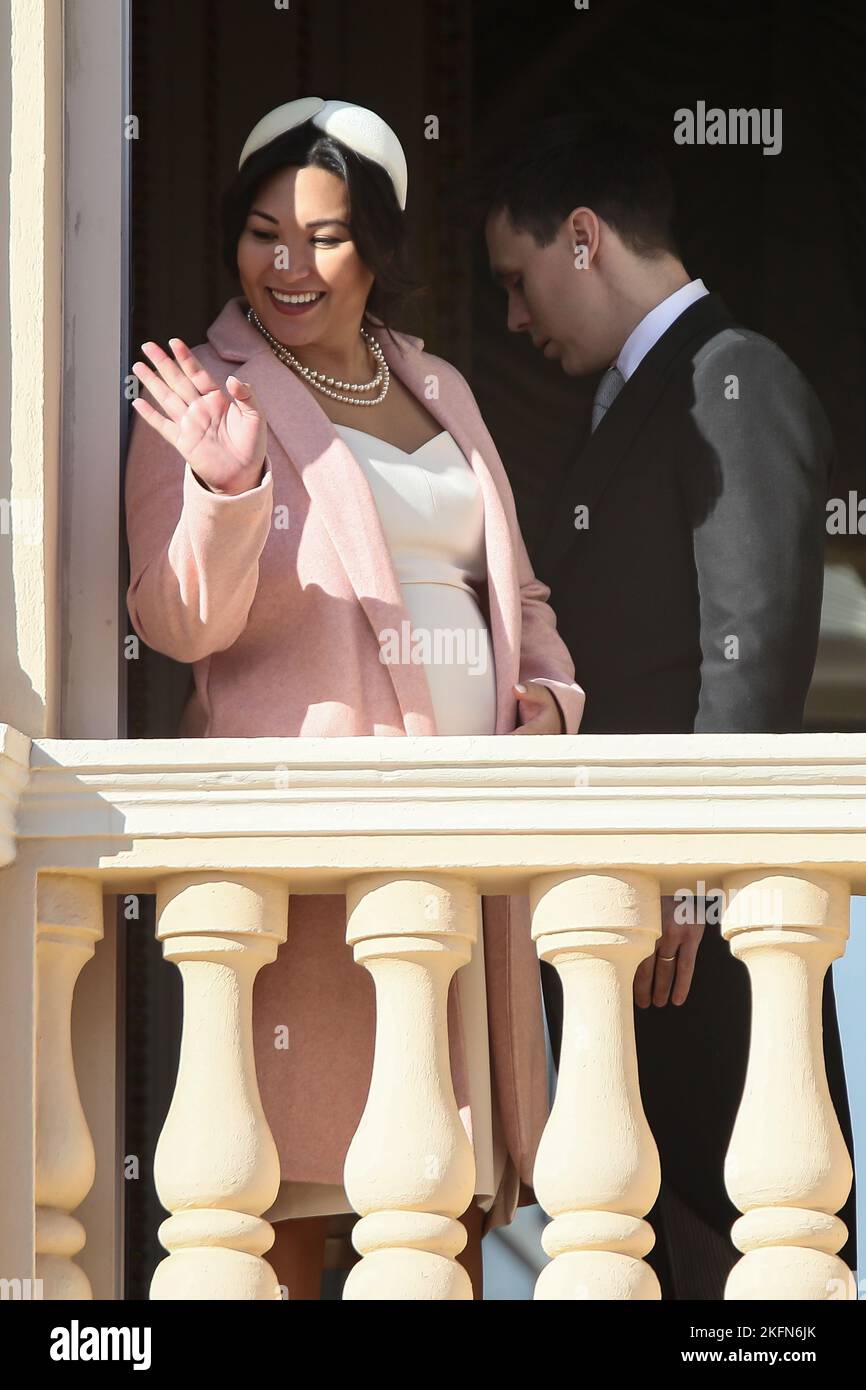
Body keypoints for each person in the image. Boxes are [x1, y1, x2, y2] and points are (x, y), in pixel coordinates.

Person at [124, 97, 585, 1300]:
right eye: (263, 232)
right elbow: (176, 623)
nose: (288, 263)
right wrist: (225, 488)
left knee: (450, 1194)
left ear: (376, 248)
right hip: (310, 854)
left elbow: (513, 585)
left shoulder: (436, 384)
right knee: (288, 1194)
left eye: (325, 235)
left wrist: (546, 690)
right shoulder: (196, 390)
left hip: (463, 843)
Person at [483, 113, 856, 1299]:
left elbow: (753, 659)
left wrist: (695, 867)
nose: (513, 318)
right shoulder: (636, 402)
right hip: (634, 931)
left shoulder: (729, 374)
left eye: (519, 277)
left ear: (581, 238)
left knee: (732, 1250)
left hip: (701, 937)